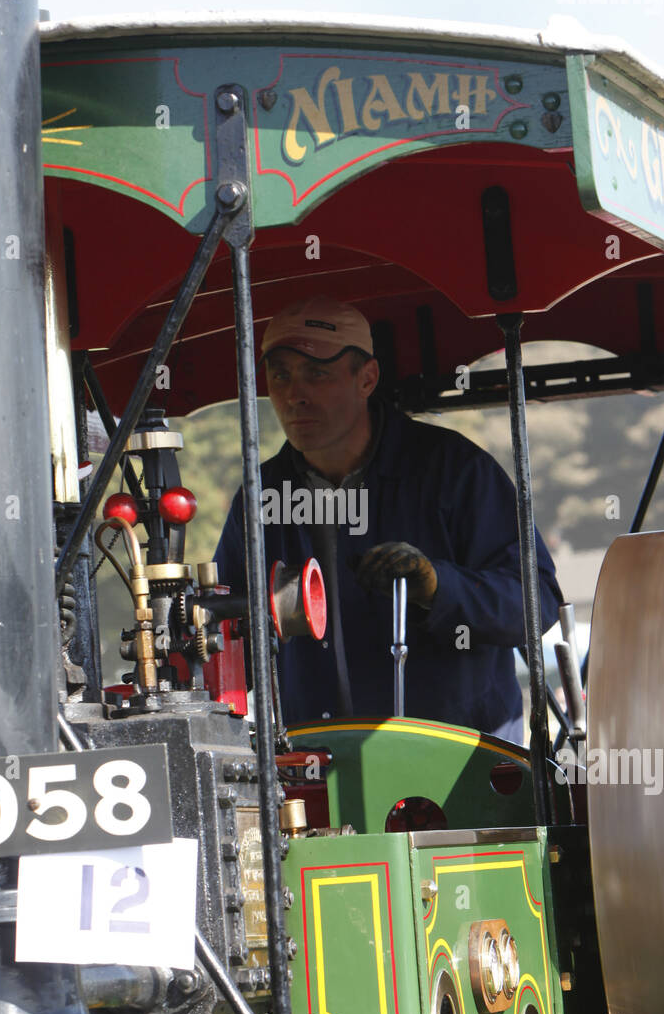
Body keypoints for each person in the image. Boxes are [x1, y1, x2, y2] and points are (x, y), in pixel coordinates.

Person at [213, 296, 562, 741]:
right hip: (316, 765)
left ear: (367, 379)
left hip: (460, 761)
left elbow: (538, 600)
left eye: (316, 373)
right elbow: (224, 636)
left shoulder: (454, 470)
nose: (294, 394)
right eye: (280, 375)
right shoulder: (259, 498)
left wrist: (439, 587)